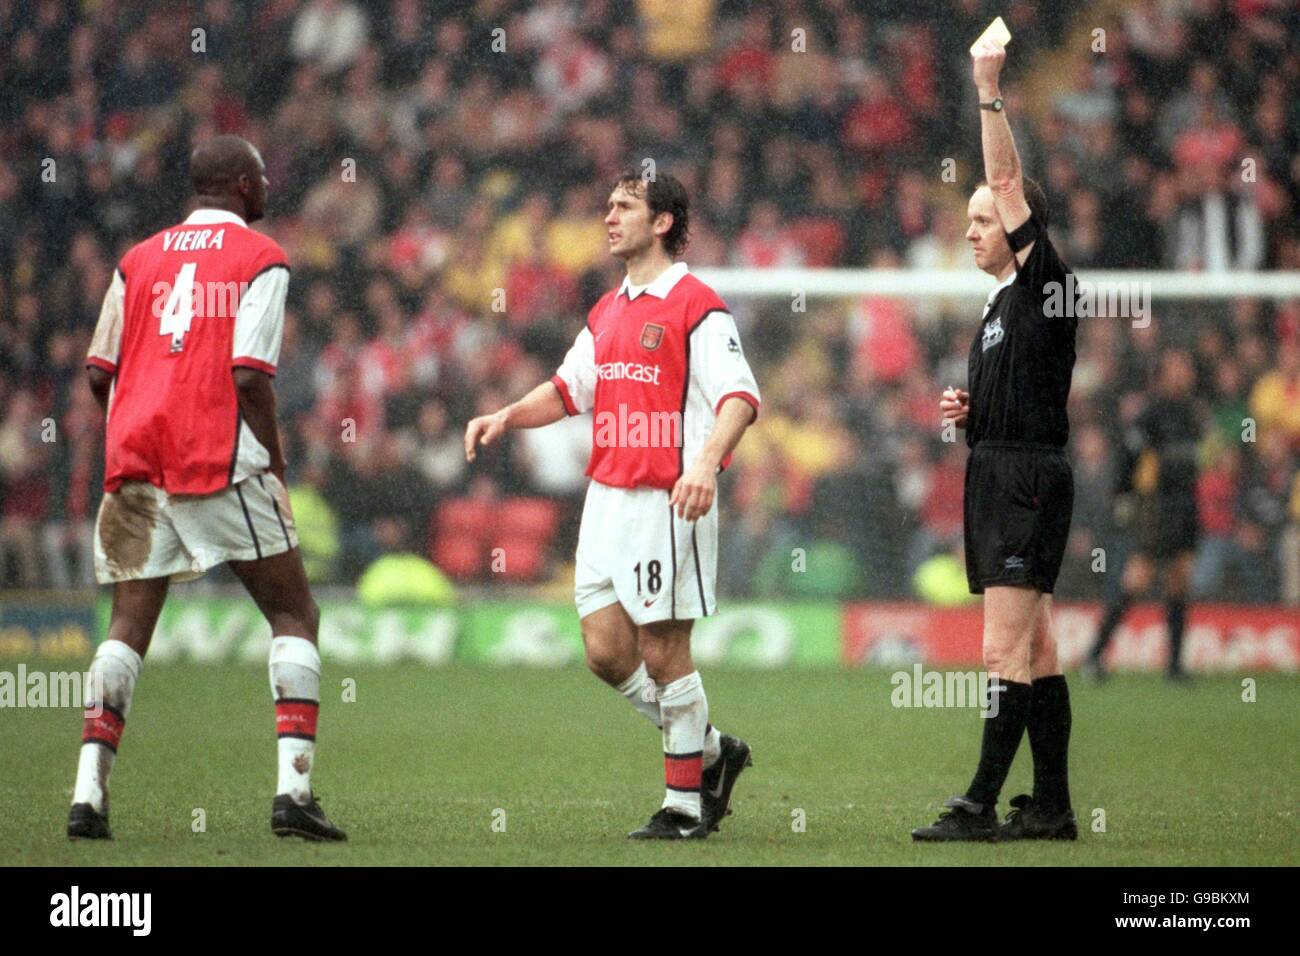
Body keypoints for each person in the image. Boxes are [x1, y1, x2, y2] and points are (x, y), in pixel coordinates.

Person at [464, 169, 760, 840]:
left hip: (668, 499)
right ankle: (713, 752)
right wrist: (506, 416)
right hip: (607, 499)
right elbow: (569, 390)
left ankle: (684, 808)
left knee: (663, 649)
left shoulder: (696, 304)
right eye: (607, 206)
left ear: (661, 222)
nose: (608, 216)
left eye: (624, 206)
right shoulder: (609, 309)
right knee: (604, 652)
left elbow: (739, 397)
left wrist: (705, 467)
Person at [68, 135, 345, 842]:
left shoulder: (138, 259)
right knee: (293, 614)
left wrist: (144, 415)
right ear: (244, 186)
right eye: (261, 177)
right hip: (217, 457)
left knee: (127, 625)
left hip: (135, 460)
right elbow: (250, 373)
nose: (267, 189)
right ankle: (294, 794)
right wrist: (274, 469)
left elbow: (100, 373)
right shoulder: (261, 256)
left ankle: (87, 797)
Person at [912, 39, 1078, 843]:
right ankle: (1051, 806)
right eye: (969, 217)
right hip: (1003, 472)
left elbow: (1009, 179)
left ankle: (976, 805)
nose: (971, 229)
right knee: (1038, 649)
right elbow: (1023, 397)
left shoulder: (1047, 284)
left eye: (984, 219)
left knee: (1001, 654)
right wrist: (971, 415)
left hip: (1025, 485)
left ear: (1020, 229)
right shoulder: (998, 308)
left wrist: (987, 86)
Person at [1086, 350, 1204, 681]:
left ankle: (1175, 666)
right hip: (1158, 506)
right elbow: (1128, 457)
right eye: (1178, 367)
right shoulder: (1150, 415)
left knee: (1179, 579)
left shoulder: (1193, 413)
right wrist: (1123, 496)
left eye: (1187, 367)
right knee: (1137, 578)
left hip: (1186, 505)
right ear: (1163, 374)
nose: (1185, 373)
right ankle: (1095, 655)